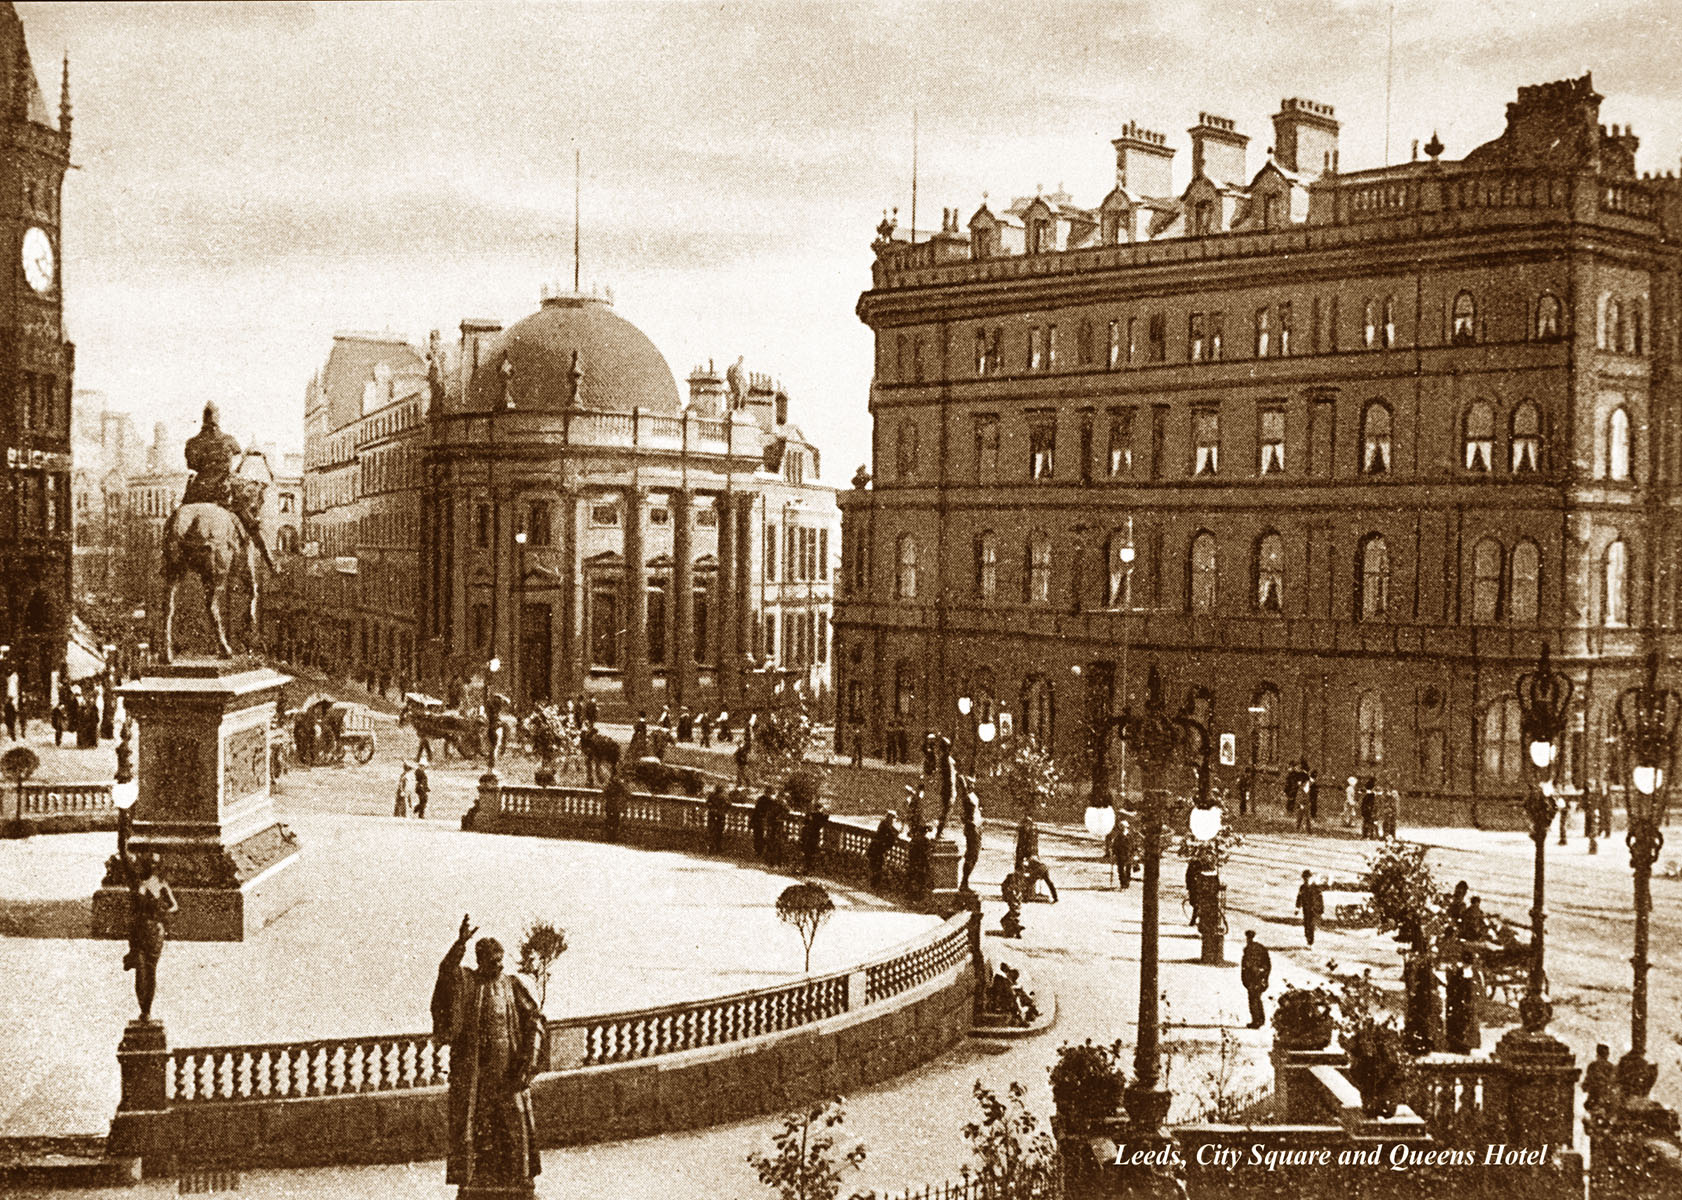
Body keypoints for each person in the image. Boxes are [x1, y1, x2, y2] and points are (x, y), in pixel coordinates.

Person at [431, 915, 543, 1192]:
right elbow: (445, 973)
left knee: (512, 1124)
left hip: (509, 1072)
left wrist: (528, 1062)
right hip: (475, 1075)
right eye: (493, 961)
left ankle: (518, 1175)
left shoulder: (511, 984)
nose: (499, 965)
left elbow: (535, 1021)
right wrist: (460, 944)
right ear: (481, 961)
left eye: (500, 959)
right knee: (477, 1126)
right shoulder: (467, 981)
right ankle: (477, 1177)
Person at [183, 401, 277, 575]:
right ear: (217, 418)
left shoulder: (192, 442)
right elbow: (233, 461)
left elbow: (192, 465)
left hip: (197, 491)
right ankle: (269, 560)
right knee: (251, 524)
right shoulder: (228, 440)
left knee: (178, 515)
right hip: (221, 490)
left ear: (203, 418)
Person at [121, 849, 178, 1023]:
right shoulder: (138, 883)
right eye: (150, 862)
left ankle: (147, 1009)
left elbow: (174, 906)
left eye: (155, 863)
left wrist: (162, 912)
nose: (152, 865)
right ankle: (142, 1008)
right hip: (138, 930)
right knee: (140, 969)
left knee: (150, 970)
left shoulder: (161, 885)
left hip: (155, 931)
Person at [1240, 930, 1272, 1029]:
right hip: (1260, 978)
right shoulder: (1262, 948)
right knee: (1257, 999)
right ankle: (1260, 1019)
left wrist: (1247, 978)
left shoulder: (1249, 950)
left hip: (1254, 979)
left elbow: (1247, 966)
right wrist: (1265, 977)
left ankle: (1256, 1021)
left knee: (1253, 1000)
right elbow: (1268, 965)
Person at [1583, 1044, 1619, 1117]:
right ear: (1607, 1054)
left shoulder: (1592, 1066)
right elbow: (1614, 1083)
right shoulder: (1611, 1067)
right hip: (1606, 1100)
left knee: (1593, 1118)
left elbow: (1586, 1083)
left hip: (1594, 1099)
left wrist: (1586, 1087)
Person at [866, 810, 899, 889]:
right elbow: (890, 833)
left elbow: (891, 830)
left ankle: (874, 883)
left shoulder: (884, 823)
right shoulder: (885, 825)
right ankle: (875, 884)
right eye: (893, 818)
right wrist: (896, 834)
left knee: (875, 866)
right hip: (877, 849)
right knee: (877, 866)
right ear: (889, 818)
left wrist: (896, 832)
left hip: (876, 849)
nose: (893, 820)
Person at [1295, 870, 1324, 947]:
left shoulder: (1316, 888)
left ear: (1311, 878)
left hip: (1314, 910)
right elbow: (1299, 898)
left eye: (1308, 878)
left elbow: (1320, 899)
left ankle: (1311, 943)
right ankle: (1308, 940)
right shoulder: (1302, 887)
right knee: (1306, 926)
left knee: (1311, 926)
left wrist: (1321, 911)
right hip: (1306, 910)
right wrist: (1297, 908)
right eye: (1305, 878)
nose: (1306, 880)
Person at [800, 801, 828, 873]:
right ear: (819, 808)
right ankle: (808, 868)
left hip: (807, 835)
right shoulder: (819, 816)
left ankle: (805, 868)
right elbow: (826, 817)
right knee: (812, 852)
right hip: (814, 836)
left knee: (807, 852)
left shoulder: (811, 814)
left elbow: (805, 822)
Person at [706, 786, 730, 853]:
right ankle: (717, 848)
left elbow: (707, 803)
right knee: (719, 832)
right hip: (720, 816)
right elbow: (729, 805)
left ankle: (711, 847)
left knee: (712, 831)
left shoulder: (711, 796)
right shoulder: (724, 797)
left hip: (712, 815)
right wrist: (723, 810)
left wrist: (712, 809)